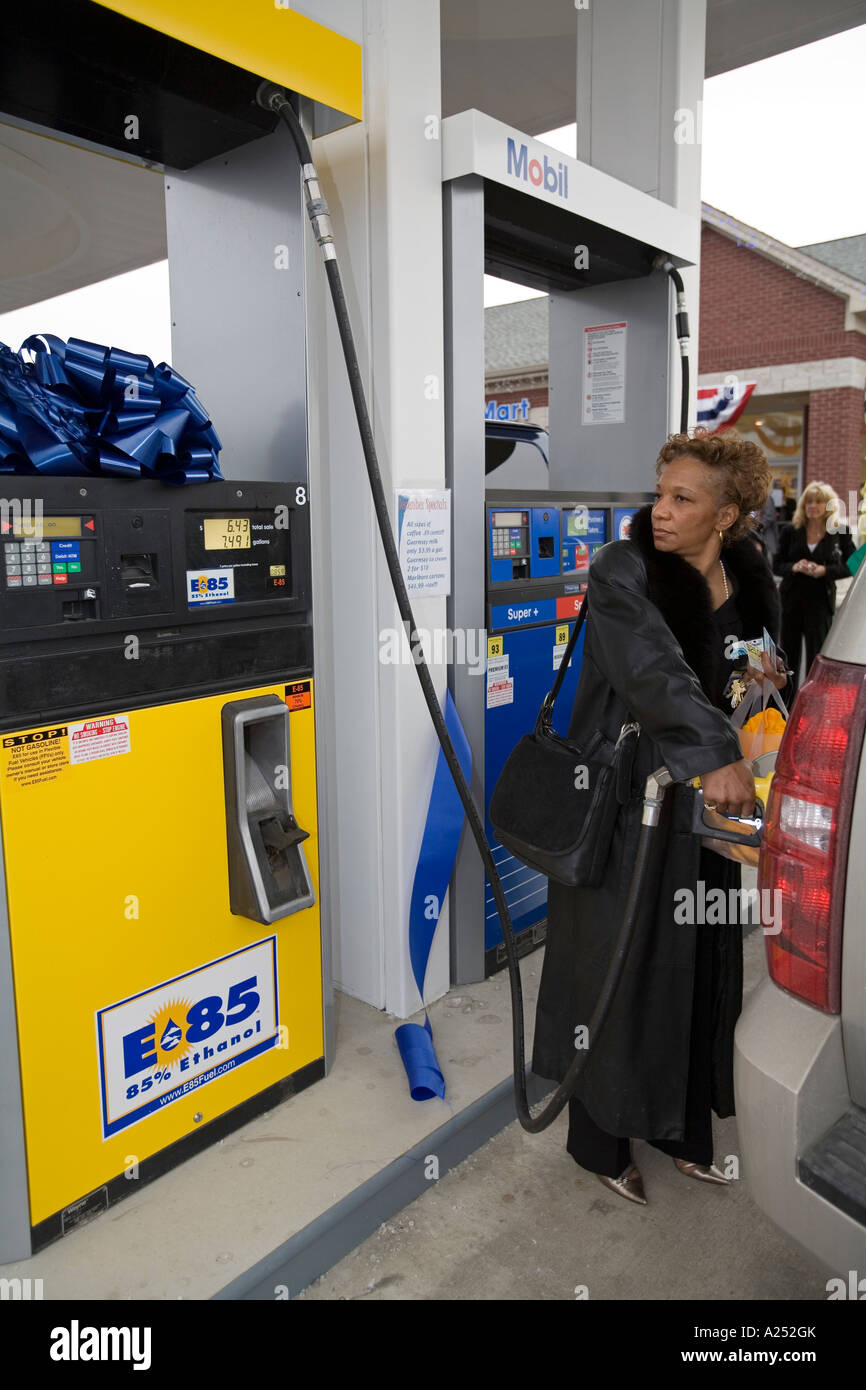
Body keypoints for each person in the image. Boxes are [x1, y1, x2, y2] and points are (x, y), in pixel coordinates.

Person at [532, 427, 787, 1205]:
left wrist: (765, 692)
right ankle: (598, 1142)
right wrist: (716, 753)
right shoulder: (623, 571)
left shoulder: (749, 577)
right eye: (660, 493)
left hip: (712, 810)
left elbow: (760, 671)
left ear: (728, 515)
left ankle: (682, 1128)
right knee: (619, 965)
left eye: (684, 499)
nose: (661, 511)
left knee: (700, 964)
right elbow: (651, 669)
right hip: (628, 805)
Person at [774, 482, 855, 699]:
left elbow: (854, 564)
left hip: (820, 602)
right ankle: (787, 702)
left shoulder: (840, 531)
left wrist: (825, 570)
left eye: (818, 501)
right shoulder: (791, 530)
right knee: (788, 655)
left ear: (828, 505)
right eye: (808, 501)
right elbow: (776, 564)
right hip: (791, 601)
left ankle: (814, 701)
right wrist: (793, 566)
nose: (813, 506)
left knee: (817, 655)